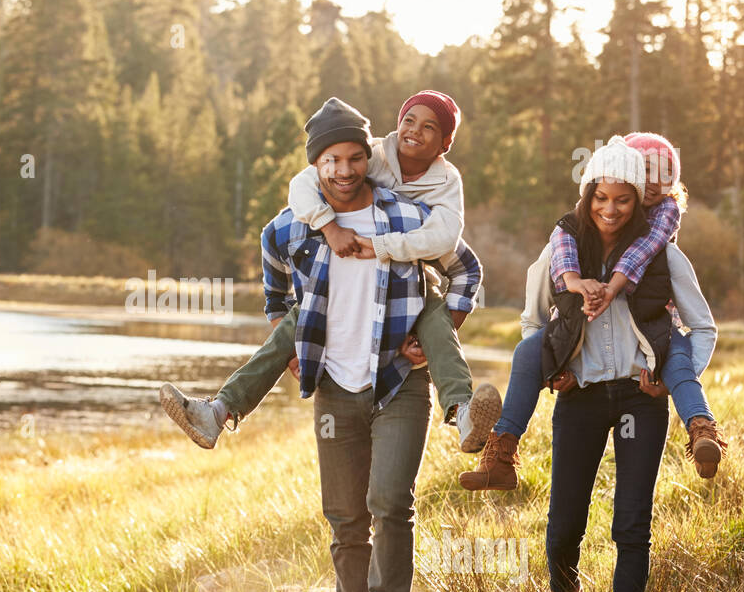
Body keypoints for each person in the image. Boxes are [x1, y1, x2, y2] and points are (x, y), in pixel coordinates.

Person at [242, 98, 483, 592]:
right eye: (332, 160)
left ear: (365, 161)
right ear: (316, 167)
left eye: (354, 157)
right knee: (345, 517)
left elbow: (465, 268)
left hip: (399, 381)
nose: (345, 170)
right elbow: (271, 257)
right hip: (333, 386)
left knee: (389, 503)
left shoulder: (405, 216)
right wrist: (285, 327)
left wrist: (440, 327)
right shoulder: (300, 220)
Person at [160, 92, 500, 455]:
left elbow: (450, 241)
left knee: (435, 319)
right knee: (298, 320)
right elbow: (303, 184)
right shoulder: (369, 156)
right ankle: (217, 412)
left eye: (429, 126)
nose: (413, 131)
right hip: (339, 284)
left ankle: (463, 412)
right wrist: (328, 226)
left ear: (446, 143)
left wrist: (434, 326)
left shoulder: (444, 185)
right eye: (409, 120)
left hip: (414, 282)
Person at [519, 137, 717, 592]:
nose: (610, 209)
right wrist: (551, 370)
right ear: (588, 196)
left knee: (631, 522)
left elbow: (703, 328)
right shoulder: (561, 252)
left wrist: (670, 377)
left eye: (623, 199)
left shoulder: (663, 257)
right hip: (580, 398)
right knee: (565, 520)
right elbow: (532, 322)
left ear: (638, 203)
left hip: (639, 399)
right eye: (600, 198)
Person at [459, 131, 727, 492]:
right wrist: (555, 365)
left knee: (678, 360)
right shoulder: (570, 232)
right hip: (580, 360)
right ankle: (502, 451)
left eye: (662, 176)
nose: (652, 183)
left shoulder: (661, 231)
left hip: (653, 337)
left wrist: (613, 287)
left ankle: (701, 429)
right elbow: (536, 311)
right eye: (644, 171)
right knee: (527, 351)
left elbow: (648, 257)